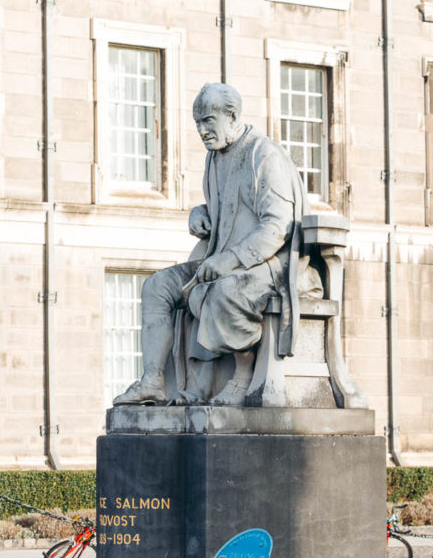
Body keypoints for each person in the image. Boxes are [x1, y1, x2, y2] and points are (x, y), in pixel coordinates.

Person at [113, 82, 321, 407]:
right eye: (198, 123)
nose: (202, 131)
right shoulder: (215, 159)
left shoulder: (263, 155)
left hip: (272, 265)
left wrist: (231, 261)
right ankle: (152, 381)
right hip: (222, 260)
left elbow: (278, 226)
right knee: (157, 286)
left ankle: (242, 376)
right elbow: (231, 210)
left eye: (209, 120)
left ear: (232, 115)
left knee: (226, 290)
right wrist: (200, 213)